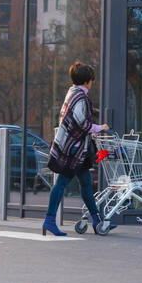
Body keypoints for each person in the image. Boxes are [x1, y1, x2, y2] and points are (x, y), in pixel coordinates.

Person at [43, 61, 110, 237]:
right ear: (88, 81)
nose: (92, 83)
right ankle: (49, 220)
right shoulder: (81, 97)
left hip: (73, 148)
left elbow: (74, 115)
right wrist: (100, 127)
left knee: (86, 183)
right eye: (92, 80)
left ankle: (97, 220)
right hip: (73, 149)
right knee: (62, 183)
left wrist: (92, 111)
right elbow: (81, 123)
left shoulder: (72, 93)